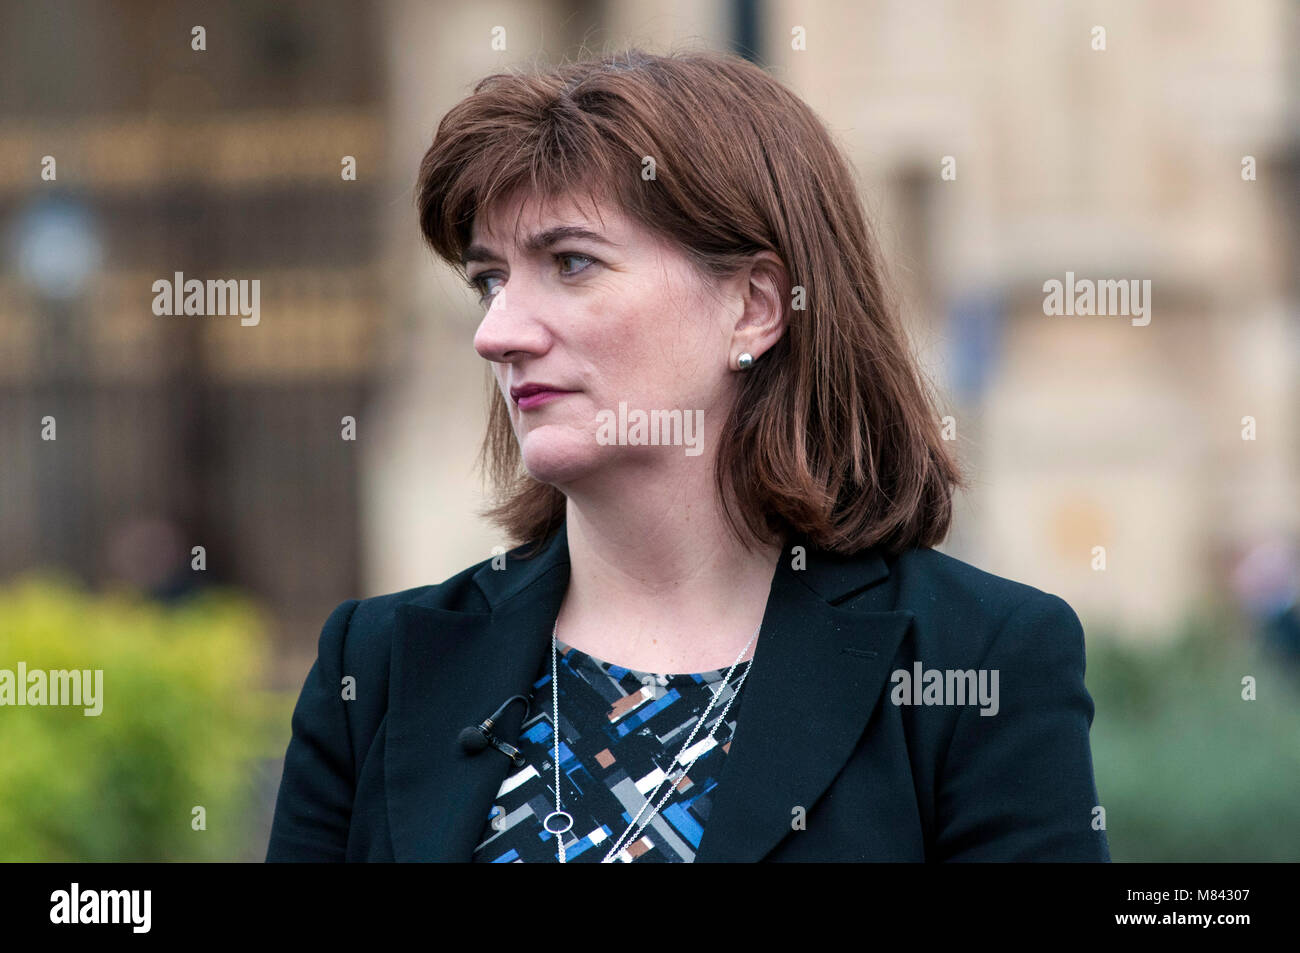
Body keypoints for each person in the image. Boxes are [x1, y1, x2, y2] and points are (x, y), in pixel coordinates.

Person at [266, 47, 1109, 862]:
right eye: (490, 278)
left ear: (753, 307)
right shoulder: (377, 665)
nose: (497, 333)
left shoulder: (975, 660)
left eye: (570, 262)